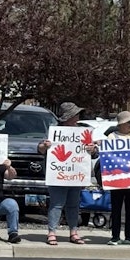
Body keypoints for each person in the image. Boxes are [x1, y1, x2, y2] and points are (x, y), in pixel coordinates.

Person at [37, 102, 97, 246]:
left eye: (77, 115)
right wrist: (45, 146)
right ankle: (52, 232)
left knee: (74, 205)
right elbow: (39, 149)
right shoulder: (54, 132)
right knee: (56, 204)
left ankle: (73, 232)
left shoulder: (83, 132)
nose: (77, 118)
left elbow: (94, 153)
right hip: (57, 175)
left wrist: (92, 149)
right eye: (75, 115)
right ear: (67, 118)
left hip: (76, 175)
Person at [106, 111, 130, 246]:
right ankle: (115, 236)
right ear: (121, 124)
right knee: (116, 209)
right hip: (116, 178)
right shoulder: (112, 137)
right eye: (129, 122)